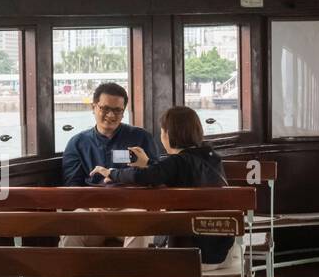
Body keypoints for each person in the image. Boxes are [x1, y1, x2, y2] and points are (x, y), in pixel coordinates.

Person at [90, 105, 236, 266]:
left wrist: (111, 172)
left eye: (162, 131)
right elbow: (166, 171)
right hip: (224, 248)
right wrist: (148, 163)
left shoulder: (177, 162)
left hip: (191, 254)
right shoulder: (212, 157)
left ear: (167, 134)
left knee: (140, 228)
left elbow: (144, 177)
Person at [60, 83, 159, 187]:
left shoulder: (142, 138)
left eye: (117, 110)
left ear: (123, 112)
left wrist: (147, 166)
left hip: (132, 199)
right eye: (105, 108)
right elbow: (72, 187)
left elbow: (157, 176)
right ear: (93, 107)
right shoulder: (77, 144)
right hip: (92, 199)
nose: (111, 115)